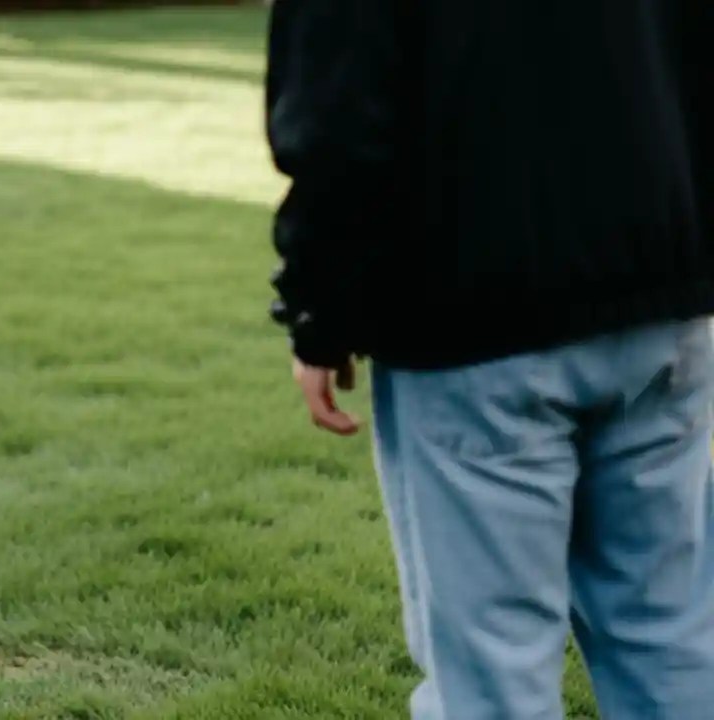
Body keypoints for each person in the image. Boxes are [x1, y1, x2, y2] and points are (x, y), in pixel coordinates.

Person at [264, 1, 714, 718]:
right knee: (666, 635)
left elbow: (336, 110)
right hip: (663, 305)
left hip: (476, 323)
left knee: (491, 674)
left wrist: (317, 307)